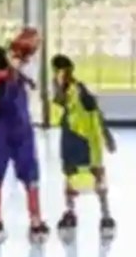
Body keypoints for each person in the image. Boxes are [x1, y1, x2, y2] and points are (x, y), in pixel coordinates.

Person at [0, 47, 48, 244]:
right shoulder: (19, 78)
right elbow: (33, 84)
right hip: (23, 131)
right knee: (31, 179)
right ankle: (36, 222)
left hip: (0, 133)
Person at [50, 53, 118, 242]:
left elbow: (95, 112)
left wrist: (106, 136)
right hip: (75, 138)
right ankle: (74, 212)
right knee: (73, 177)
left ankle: (105, 217)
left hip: (83, 139)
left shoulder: (76, 90)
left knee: (93, 176)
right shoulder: (70, 90)